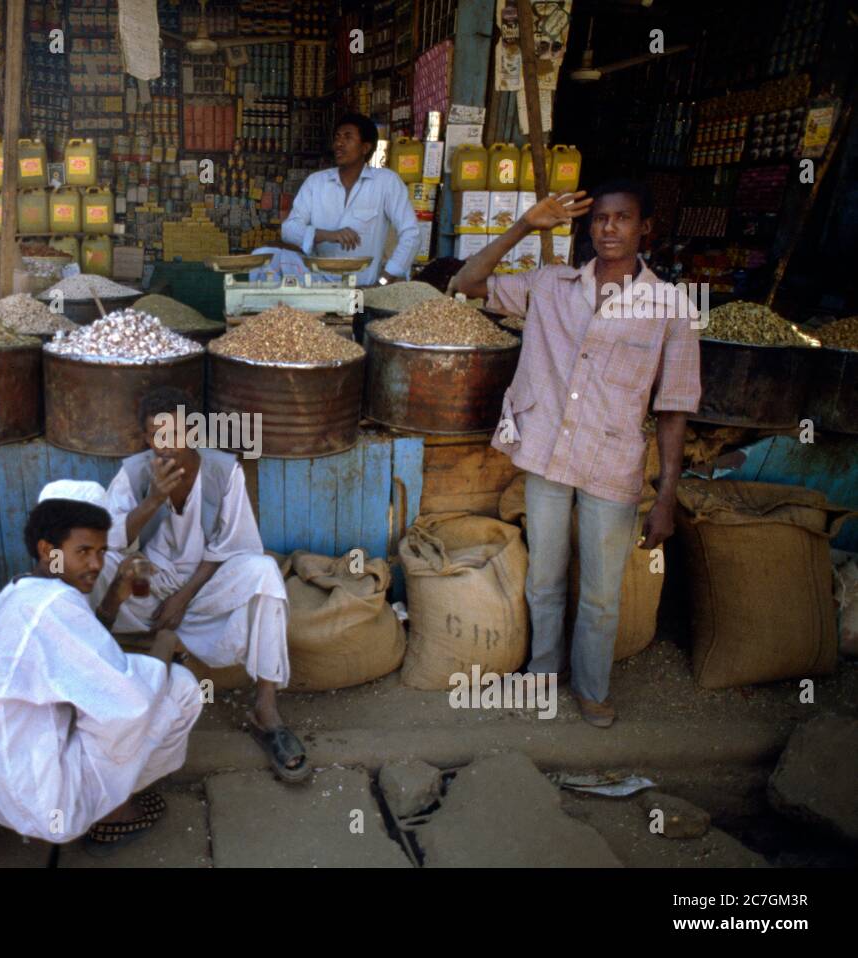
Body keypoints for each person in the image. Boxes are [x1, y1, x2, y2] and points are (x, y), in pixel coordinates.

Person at [449, 179, 700, 728]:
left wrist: (666, 497)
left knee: (603, 592)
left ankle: (592, 687)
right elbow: (467, 283)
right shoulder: (552, 284)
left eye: (623, 218)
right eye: (600, 219)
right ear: (589, 228)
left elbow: (675, 408)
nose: (609, 228)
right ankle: (542, 673)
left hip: (612, 463)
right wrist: (523, 226)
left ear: (645, 227)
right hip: (546, 453)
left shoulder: (670, 307)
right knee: (544, 577)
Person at [0, 481, 203, 854]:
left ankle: (104, 793)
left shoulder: (21, 590)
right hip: (40, 804)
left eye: (101, 551)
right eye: (83, 551)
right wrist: (165, 644)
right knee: (179, 687)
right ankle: (111, 812)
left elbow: (80, 660)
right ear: (47, 550)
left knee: (130, 681)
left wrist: (114, 597)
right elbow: (130, 701)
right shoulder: (55, 604)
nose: (96, 564)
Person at [90, 386, 311, 783]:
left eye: (175, 434)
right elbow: (113, 538)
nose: (166, 446)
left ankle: (265, 710)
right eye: (156, 436)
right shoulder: (135, 472)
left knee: (263, 573)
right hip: (149, 584)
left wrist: (182, 598)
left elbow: (231, 545)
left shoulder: (223, 471)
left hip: (202, 585)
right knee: (97, 562)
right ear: (145, 438)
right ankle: (96, 683)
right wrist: (153, 500)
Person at [252, 112, 420, 288]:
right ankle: (266, 312)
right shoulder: (316, 182)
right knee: (265, 255)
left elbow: (411, 234)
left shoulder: (386, 182)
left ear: (365, 147)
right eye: (337, 137)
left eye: (348, 137)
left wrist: (383, 281)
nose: (339, 143)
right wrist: (326, 235)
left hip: (362, 285)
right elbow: (289, 229)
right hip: (316, 280)